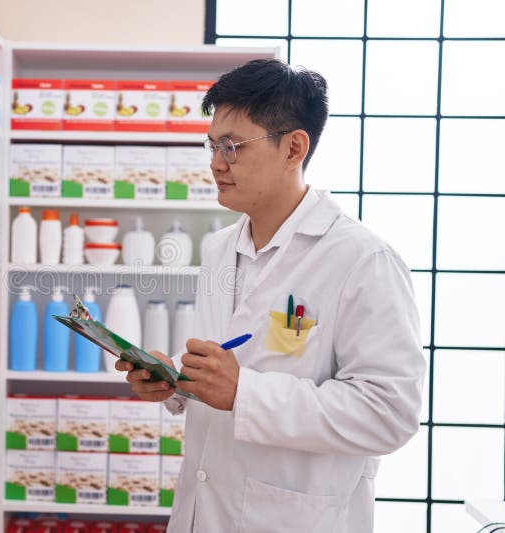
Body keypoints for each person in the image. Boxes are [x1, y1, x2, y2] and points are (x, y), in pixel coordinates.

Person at [115, 59, 425, 532]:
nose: (216, 163)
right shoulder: (219, 249)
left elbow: (389, 414)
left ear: (293, 148)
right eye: (213, 145)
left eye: (233, 146)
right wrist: (175, 380)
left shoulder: (363, 260)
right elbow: (231, 362)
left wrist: (245, 393)